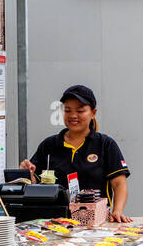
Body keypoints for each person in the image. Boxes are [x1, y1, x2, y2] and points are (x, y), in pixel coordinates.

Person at [21, 85, 130, 222]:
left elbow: (119, 184)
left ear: (93, 113)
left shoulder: (105, 144)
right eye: (68, 110)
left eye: (80, 110)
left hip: (95, 224)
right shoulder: (49, 145)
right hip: (55, 224)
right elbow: (34, 182)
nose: (73, 116)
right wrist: (27, 173)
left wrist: (117, 211)